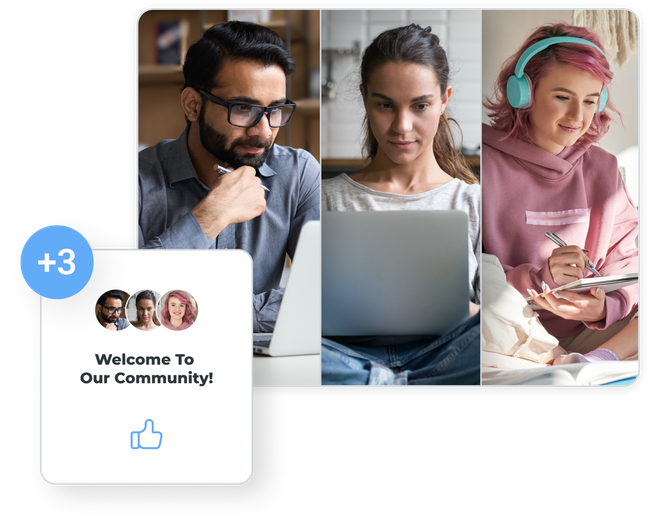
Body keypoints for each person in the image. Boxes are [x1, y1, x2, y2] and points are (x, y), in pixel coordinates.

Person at [321, 24, 481, 385]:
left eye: (420, 105)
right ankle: (382, 379)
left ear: (444, 100)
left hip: (447, 353)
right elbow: (301, 309)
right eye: (385, 105)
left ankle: (383, 383)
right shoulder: (324, 198)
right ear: (365, 98)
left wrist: (446, 308)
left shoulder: (472, 200)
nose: (402, 126)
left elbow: (495, 317)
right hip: (347, 356)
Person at [138, 21, 320, 333]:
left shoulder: (299, 172)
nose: (263, 132)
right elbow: (125, 299)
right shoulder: (140, 178)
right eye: (243, 109)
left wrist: (216, 312)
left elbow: (327, 294)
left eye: (275, 111)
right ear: (193, 105)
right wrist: (210, 216)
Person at [482, 23, 639, 364]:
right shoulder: (482, 164)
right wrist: (543, 280)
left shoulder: (604, 168)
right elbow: (473, 277)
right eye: (563, 97)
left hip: (587, 334)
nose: (577, 116)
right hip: (514, 329)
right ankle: (554, 359)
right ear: (523, 93)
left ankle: (597, 361)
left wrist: (605, 307)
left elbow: (629, 258)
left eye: (589, 101)